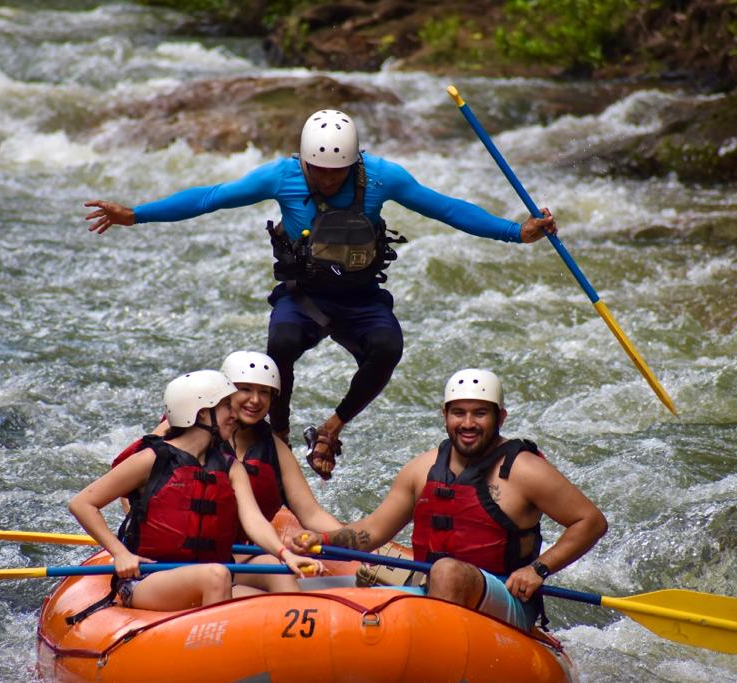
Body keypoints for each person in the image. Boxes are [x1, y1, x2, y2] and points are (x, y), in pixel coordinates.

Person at [84, 110, 558, 481]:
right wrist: (137, 215)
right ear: (304, 161)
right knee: (281, 344)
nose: (327, 180)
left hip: (360, 298)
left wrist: (514, 232)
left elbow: (447, 208)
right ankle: (282, 433)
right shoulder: (281, 176)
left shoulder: (382, 177)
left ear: (355, 163)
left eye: (338, 172)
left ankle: (331, 430)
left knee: (388, 347)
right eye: (318, 171)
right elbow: (211, 196)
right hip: (304, 295)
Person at [288, 369, 607, 632]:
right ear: (445, 416)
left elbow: (590, 522)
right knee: (322, 591)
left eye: (480, 413)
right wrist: (321, 539)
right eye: (459, 413)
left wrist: (538, 569)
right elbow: (372, 531)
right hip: (429, 589)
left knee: (447, 572)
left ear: (501, 417)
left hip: (503, 599)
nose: (468, 424)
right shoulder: (421, 469)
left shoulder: (525, 470)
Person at [68, 370, 323, 614]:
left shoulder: (230, 466)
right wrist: (120, 553)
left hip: (209, 574)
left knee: (273, 578)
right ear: (202, 414)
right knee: (216, 574)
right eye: (226, 407)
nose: (234, 414)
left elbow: (254, 521)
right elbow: (83, 503)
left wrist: (285, 554)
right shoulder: (152, 459)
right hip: (149, 579)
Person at [115, 351, 343, 594]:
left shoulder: (273, 448)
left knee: (275, 568)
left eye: (264, 392)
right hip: (169, 559)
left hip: (234, 556)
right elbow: (131, 484)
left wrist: (356, 540)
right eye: (245, 389)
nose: (255, 400)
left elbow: (310, 512)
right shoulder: (185, 430)